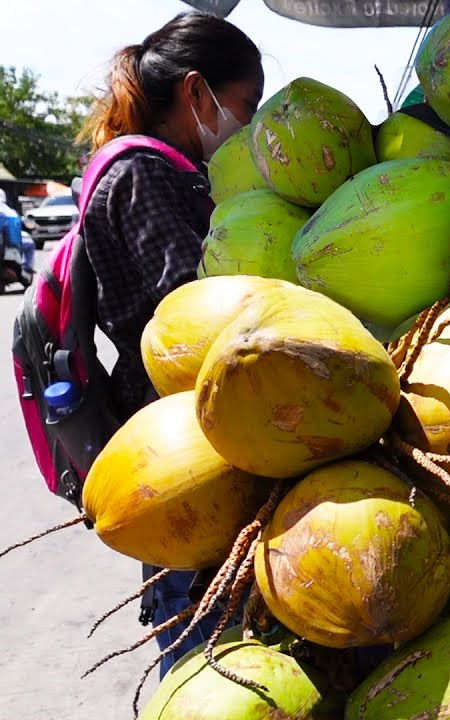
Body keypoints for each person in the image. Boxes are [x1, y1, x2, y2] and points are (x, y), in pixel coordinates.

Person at [76, 11, 263, 675]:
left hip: (189, 440)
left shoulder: (158, 170)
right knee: (208, 652)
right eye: (247, 104)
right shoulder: (144, 176)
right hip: (181, 449)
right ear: (196, 93)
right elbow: (188, 312)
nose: (251, 122)